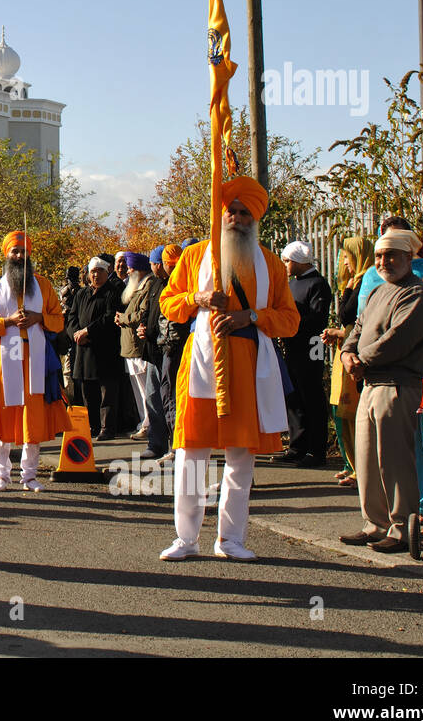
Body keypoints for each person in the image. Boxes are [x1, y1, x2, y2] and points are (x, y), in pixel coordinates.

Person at [157, 176, 300, 561]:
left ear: (254, 219)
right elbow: (168, 303)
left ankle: (231, 539)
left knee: (241, 457)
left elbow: (290, 320)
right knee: (190, 453)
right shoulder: (194, 255)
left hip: (249, 370)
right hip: (201, 364)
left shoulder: (271, 264)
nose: (235, 218)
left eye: (243, 213)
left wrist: (248, 316)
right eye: (230, 211)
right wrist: (198, 297)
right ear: (219, 215)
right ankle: (185, 539)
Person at [338, 229, 423, 553]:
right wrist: (346, 354)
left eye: (391, 255)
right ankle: (374, 524)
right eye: (380, 256)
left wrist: (360, 359)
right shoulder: (379, 292)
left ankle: (401, 529)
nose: (384, 261)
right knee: (366, 461)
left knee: (393, 461)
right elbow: (356, 329)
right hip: (368, 384)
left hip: (396, 385)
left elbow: (398, 338)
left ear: (409, 258)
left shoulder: (417, 295)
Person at [0, 230, 70, 492]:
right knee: (3, 417)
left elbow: (59, 320)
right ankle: (1, 475)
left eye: (24, 251)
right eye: (14, 251)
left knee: (33, 418)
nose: (19, 256)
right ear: (7, 255)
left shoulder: (44, 286)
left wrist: (39, 318)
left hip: (35, 358)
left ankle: (29, 476)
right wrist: (8, 321)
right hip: (5, 358)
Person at [275, 240, 334, 468]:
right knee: (294, 397)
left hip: (311, 347)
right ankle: (297, 446)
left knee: (312, 396)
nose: (285, 265)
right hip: (291, 347)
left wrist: (290, 324)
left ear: (299, 261)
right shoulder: (292, 284)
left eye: (288, 261)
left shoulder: (318, 284)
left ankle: (316, 450)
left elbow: (317, 319)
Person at [321, 237, 374, 487]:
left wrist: (341, 333)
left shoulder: (369, 283)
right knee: (341, 409)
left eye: (347, 256)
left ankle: (361, 469)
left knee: (353, 411)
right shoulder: (353, 283)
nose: (343, 261)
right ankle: (351, 463)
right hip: (345, 349)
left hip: (356, 352)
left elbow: (361, 322)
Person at [66, 257, 124, 441]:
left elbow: (109, 318)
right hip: (83, 351)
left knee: (107, 391)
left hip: (105, 350)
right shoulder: (81, 294)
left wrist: (88, 331)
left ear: (107, 273)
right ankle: (91, 426)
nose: (96, 275)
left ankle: (107, 428)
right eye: (93, 271)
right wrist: (76, 333)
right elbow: (72, 317)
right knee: (87, 391)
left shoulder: (113, 293)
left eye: (99, 271)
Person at [117, 252, 157, 442]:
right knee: (139, 390)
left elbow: (141, 314)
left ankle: (148, 425)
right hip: (131, 347)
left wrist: (122, 318)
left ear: (139, 269)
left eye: (131, 267)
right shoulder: (139, 286)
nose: (128, 271)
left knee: (145, 391)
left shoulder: (148, 286)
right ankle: (144, 422)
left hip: (139, 346)